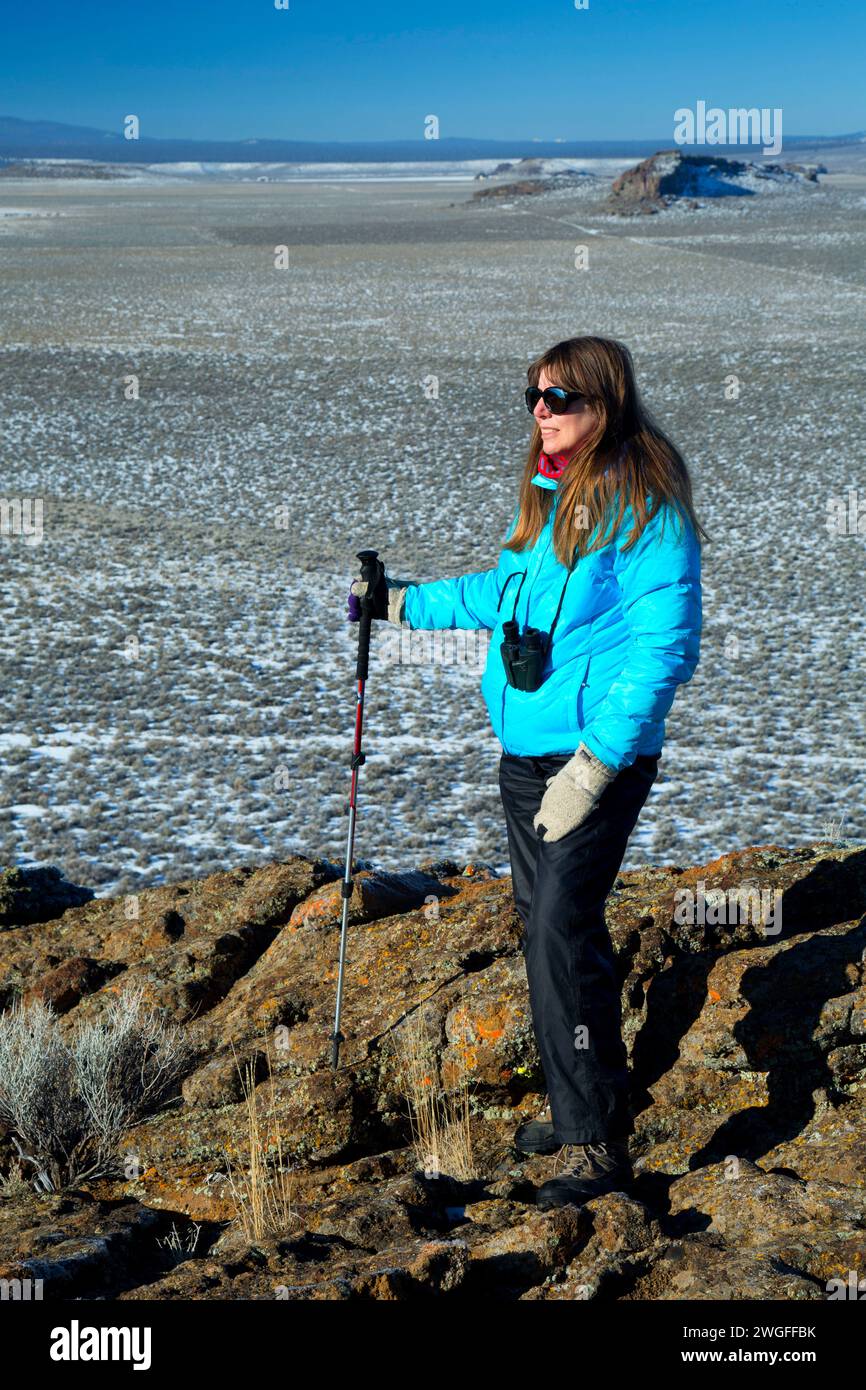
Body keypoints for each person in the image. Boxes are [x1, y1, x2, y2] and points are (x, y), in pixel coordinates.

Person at [348, 335, 706, 1210]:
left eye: (561, 398)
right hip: (524, 757)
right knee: (550, 930)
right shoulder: (550, 496)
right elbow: (498, 594)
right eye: (534, 397)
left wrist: (593, 766)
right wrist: (402, 602)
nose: (542, 412)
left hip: (596, 760)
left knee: (557, 928)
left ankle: (595, 1148)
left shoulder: (647, 506)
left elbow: (666, 649)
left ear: (605, 405)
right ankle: (581, 1095)